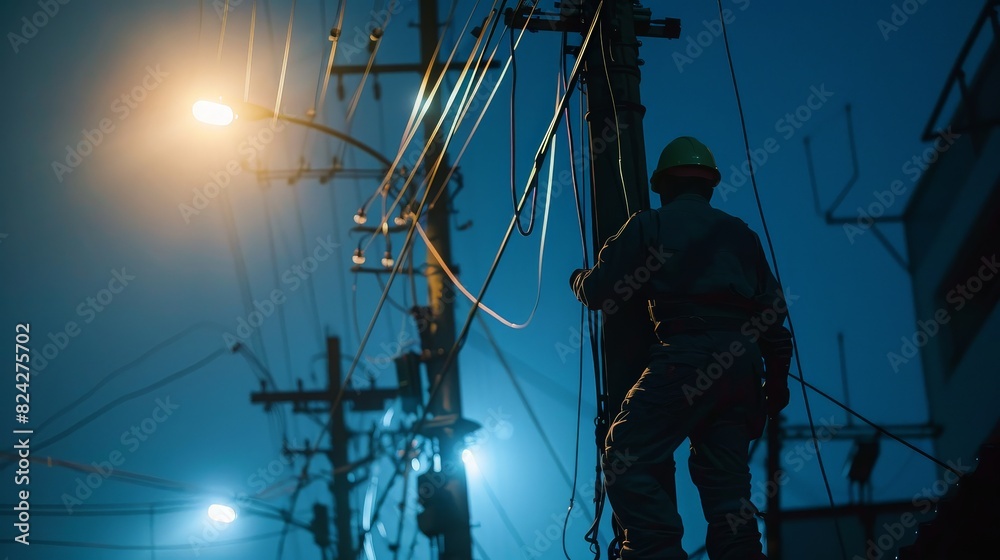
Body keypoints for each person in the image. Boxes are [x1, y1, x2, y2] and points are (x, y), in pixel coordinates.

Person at [569, 136, 794, 560]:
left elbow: (601, 291)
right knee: (728, 493)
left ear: (662, 186)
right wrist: (776, 382)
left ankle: (655, 552)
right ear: (709, 186)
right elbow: (774, 318)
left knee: (626, 456)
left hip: (686, 359)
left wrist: (578, 279)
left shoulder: (650, 224)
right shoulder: (740, 234)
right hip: (743, 371)